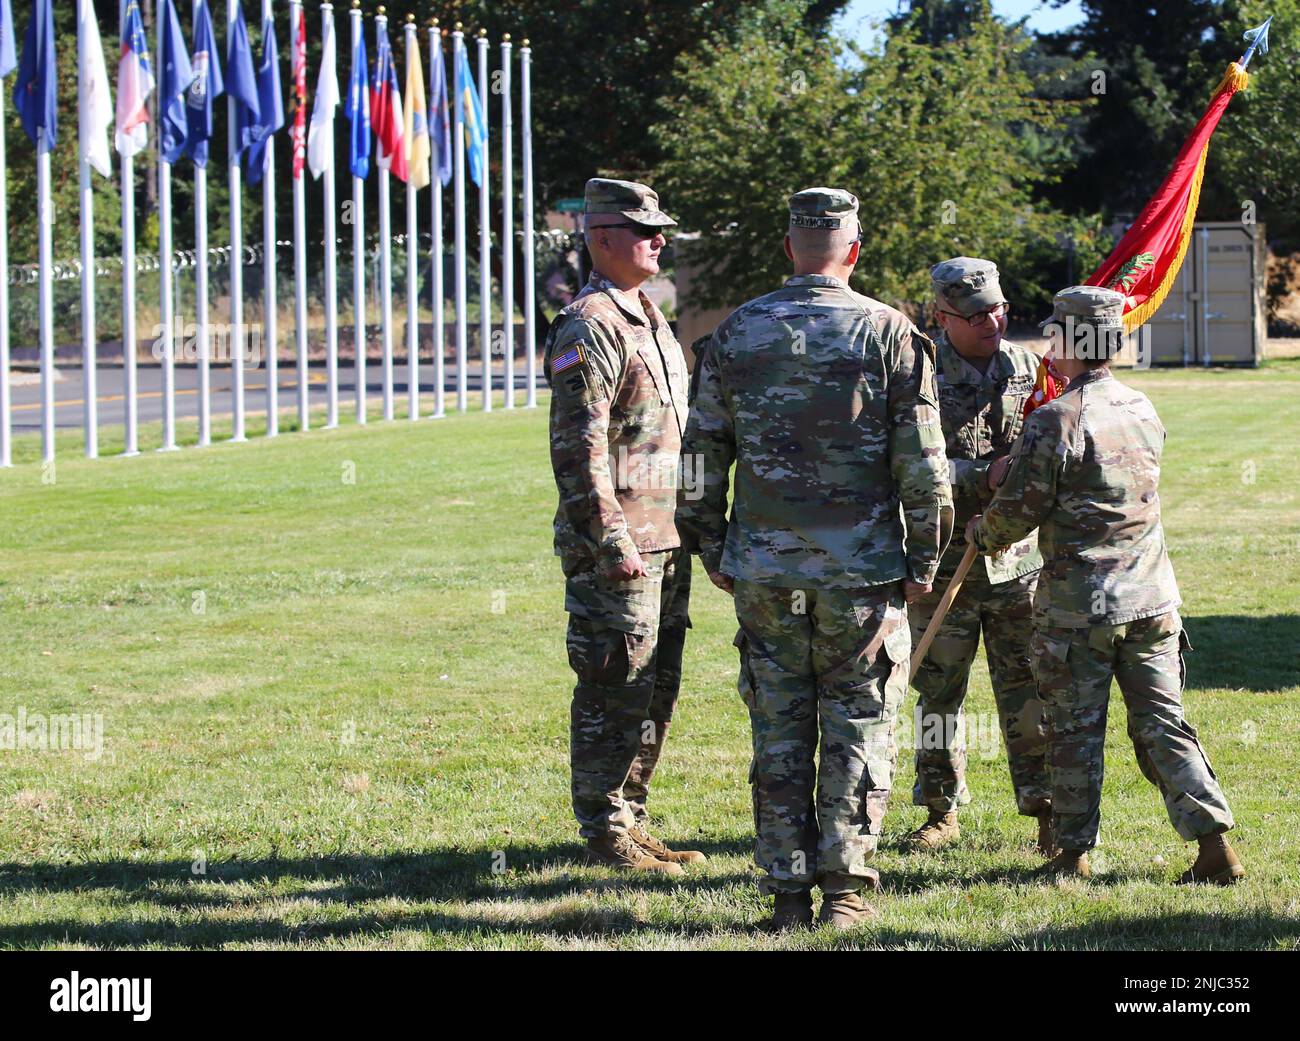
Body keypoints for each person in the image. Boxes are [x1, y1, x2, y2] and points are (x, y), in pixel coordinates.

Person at [679, 187, 952, 928]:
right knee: (859, 723)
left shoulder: (737, 332)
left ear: (788, 249)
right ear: (853, 251)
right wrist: (924, 555)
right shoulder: (890, 333)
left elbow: (700, 452)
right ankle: (845, 890)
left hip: (765, 570)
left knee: (779, 727)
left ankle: (787, 893)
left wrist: (709, 539)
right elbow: (925, 466)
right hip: (861, 573)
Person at [968, 286, 1243, 884]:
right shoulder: (1142, 407)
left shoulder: (1054, 420)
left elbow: (1017, 516)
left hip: (1078, 611)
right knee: (1163, 725)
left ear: (1066, 341)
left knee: (1074, 732)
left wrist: (982, 531)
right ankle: (1214, 845)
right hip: (1152, 601)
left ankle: (1072, 855)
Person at [545, 177, 702, 875]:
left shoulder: (650, 316)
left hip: (665, 537)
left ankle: (632, 817)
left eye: (661, 228)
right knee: (613, 681)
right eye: (644, 230)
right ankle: (603, 826)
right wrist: (608, 537)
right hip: (619, 544)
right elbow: (578, 446)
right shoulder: (590, 322)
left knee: (654, 684)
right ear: (601, 237)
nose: (658, 239)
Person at [904, 258, 1051, 854]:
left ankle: (1046, 809)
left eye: (998, 310)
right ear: (942, 316)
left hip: (1016, 561)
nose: (991, 322)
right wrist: (980, 475)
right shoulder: (919, 373)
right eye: (975, 315)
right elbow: (910, 462)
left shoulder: (1028, 368)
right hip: (945, 561)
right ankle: (941, 809)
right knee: (939, 691)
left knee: (1029, 688)